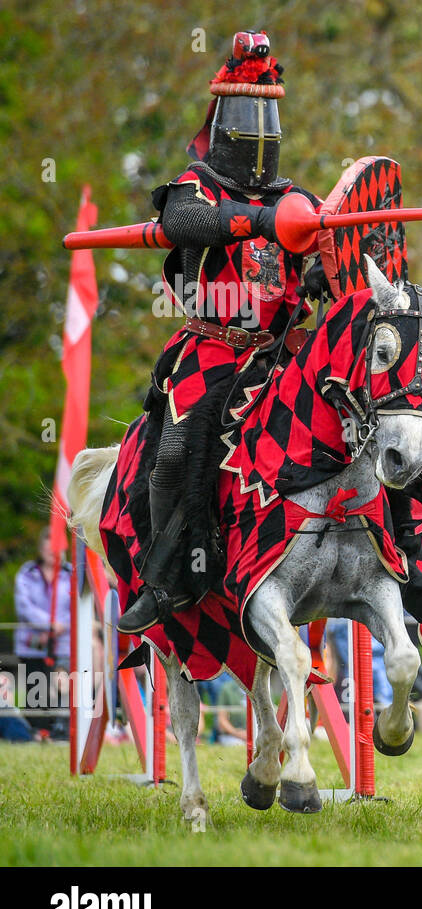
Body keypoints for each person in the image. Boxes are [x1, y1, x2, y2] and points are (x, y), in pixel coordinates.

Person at [117, 31, 323, 634]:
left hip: (279, 352)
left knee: (352, 417)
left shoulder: (297, 197)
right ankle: (162, 579)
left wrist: (317, 267)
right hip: (211, 347)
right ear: (223, 122)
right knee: (177, 450)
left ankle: (373, 554)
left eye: (268, 115)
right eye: (247, 115)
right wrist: (259, 220)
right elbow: (183, 223)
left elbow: (331, 254)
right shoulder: (196, 185)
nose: (259, 131)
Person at [13, 529, 73, 738]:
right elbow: (23, 605)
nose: (52, 554)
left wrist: (61, 625)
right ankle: (37, 731)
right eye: (48, 549)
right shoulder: (27, 573)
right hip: (32, 644)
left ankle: (62, 726)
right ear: (40, 549)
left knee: (61, 683)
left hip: (63, 643)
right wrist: (48, 624)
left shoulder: (71, 574)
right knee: (35, 689)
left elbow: (78, 606)